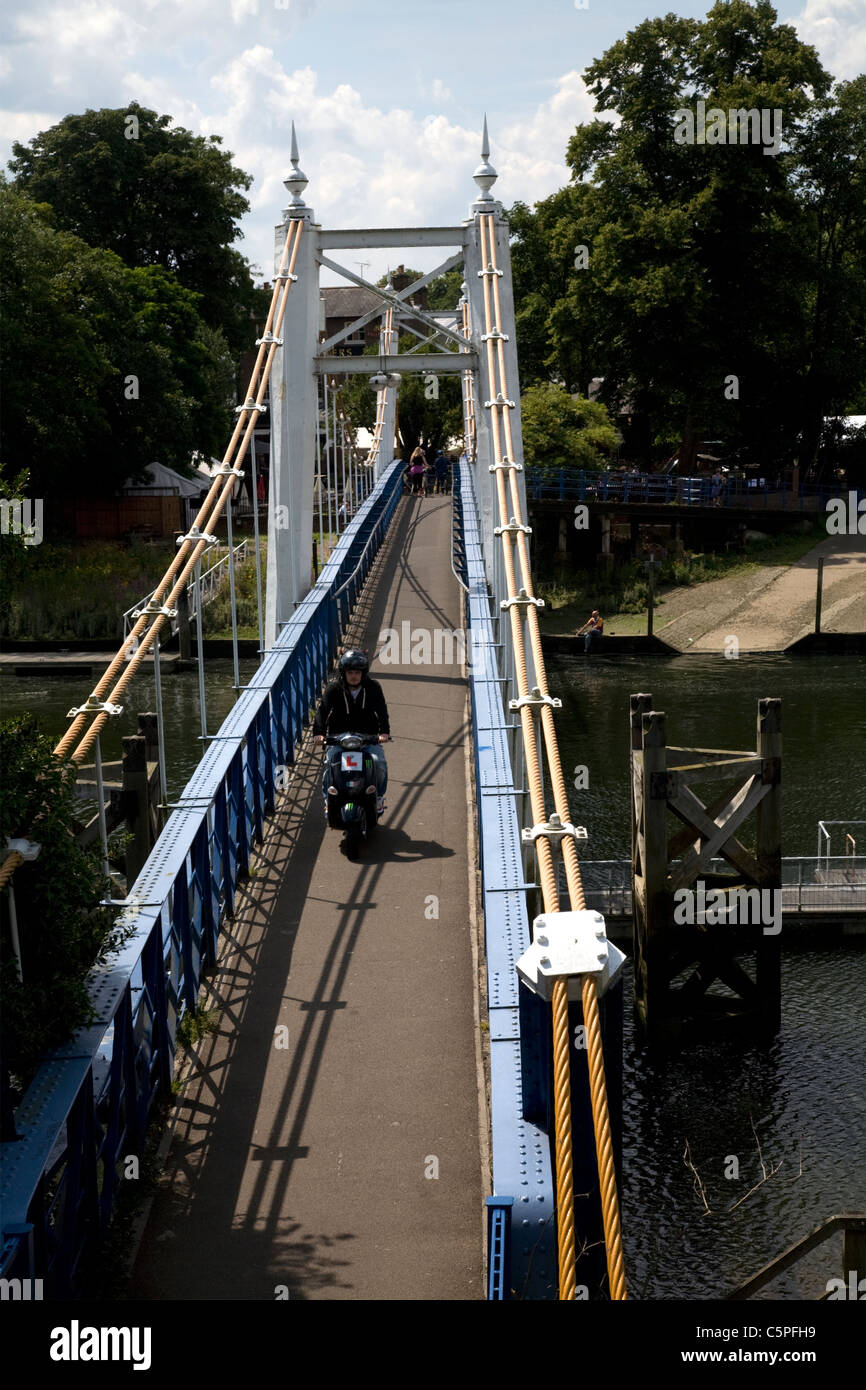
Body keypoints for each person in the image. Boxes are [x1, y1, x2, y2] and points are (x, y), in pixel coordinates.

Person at [313, 649, 390, 814]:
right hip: (339, 736)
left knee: (377, 761)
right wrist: (318, 733)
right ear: (343, 673)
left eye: (357, 672)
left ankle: (378, 797)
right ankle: (329, 799)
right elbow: (322, 711)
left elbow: (382, 711)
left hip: (367, 737)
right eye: (350, 672)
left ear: (363, 673)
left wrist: (383, 732)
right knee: (330, 762)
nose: (354, 676)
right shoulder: (333, 689)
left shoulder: (373, 687)